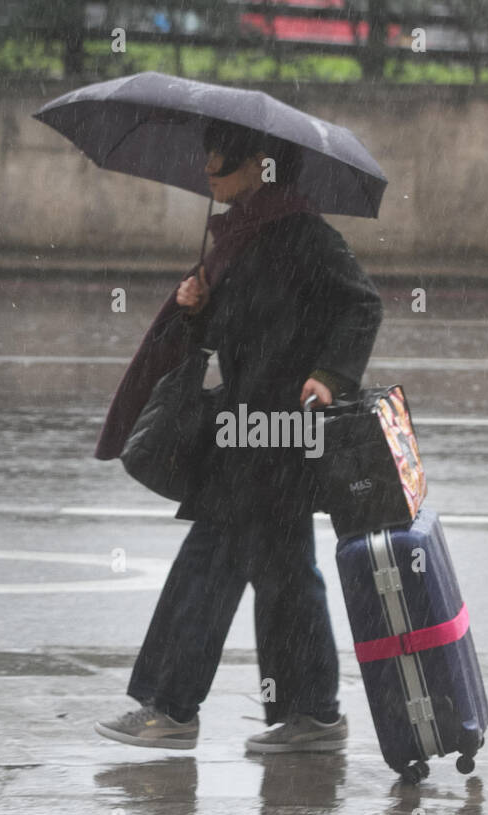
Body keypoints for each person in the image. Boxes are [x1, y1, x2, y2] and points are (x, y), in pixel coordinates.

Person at [93, 119, 384, 753]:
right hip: (242, 433)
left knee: (229, 567)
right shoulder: (238, 236)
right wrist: (199, 307)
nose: (208, 173)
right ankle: (305, 715)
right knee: (274, 571)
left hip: (280, 435)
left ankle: (176, 709)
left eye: (219, 164)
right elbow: (241, 330)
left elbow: (361, 303)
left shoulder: (303, 233)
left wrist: (330, 376)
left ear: (261, 165)